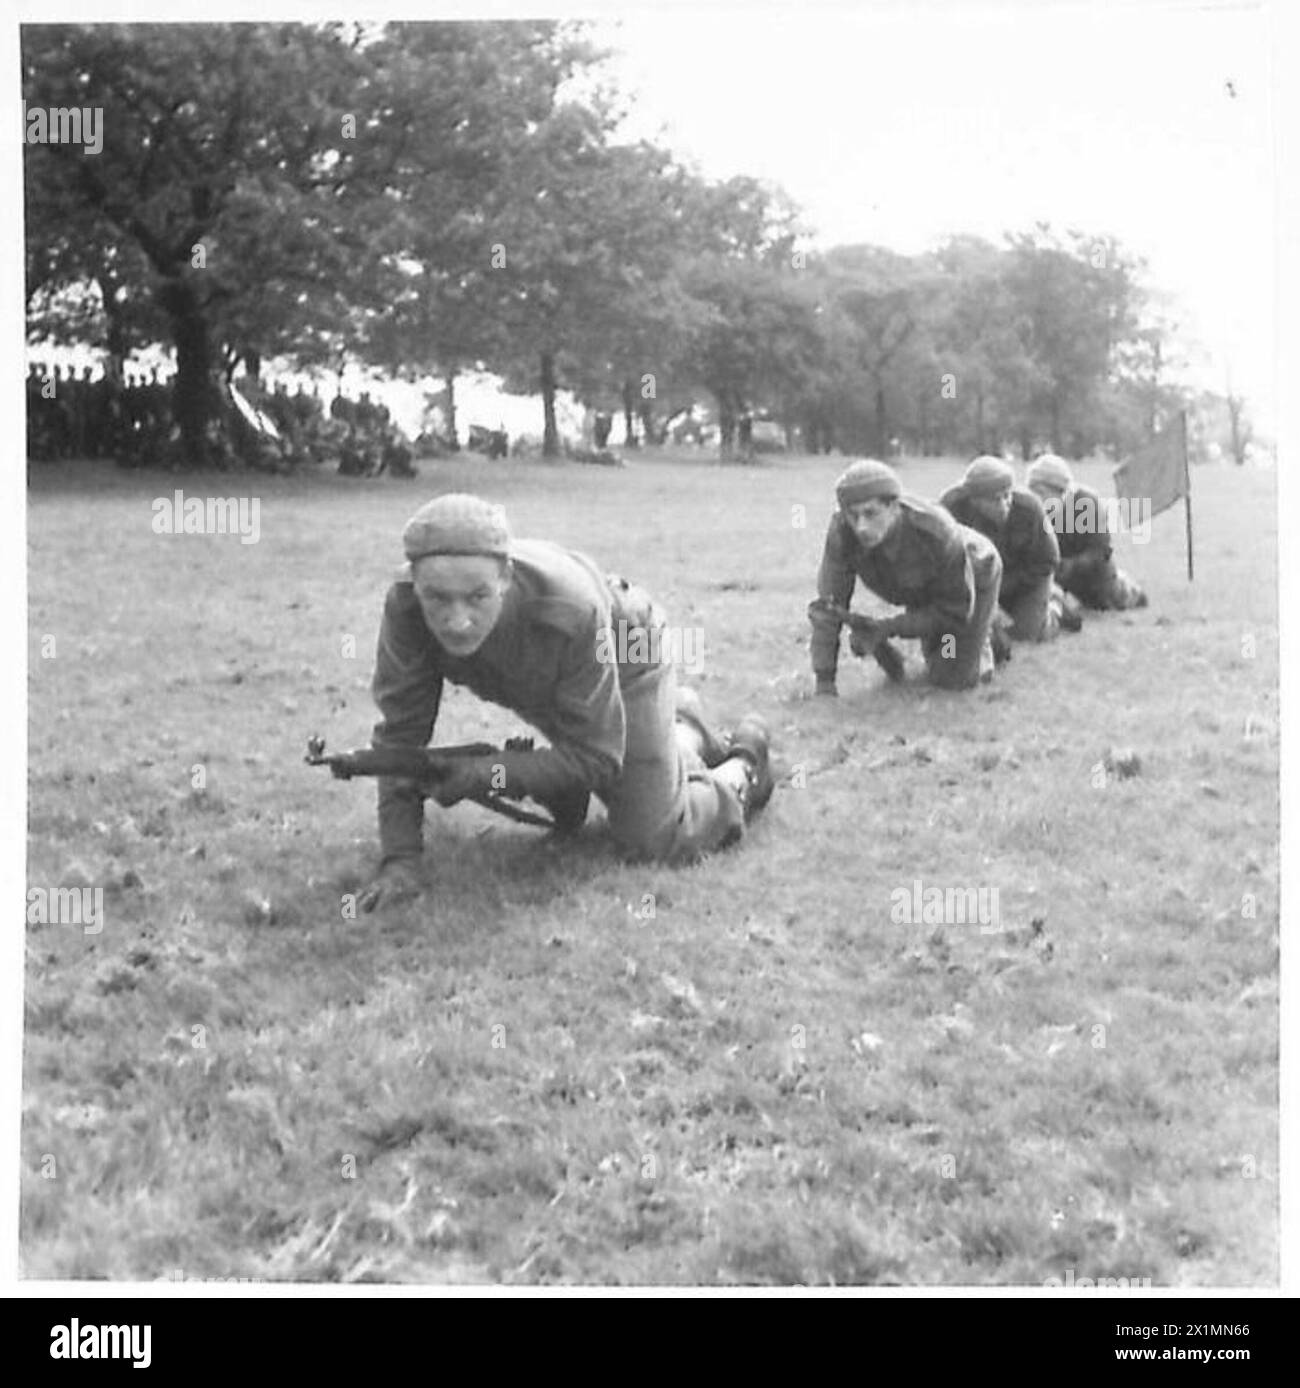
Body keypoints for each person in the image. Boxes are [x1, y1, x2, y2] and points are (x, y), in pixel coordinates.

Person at [358, 494, 773, 910]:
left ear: (505, 577)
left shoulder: (569, 610)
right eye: (438, 599)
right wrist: (400, 861)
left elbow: (596, 757)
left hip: (626, 646)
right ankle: (682, 730)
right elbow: (399, 741)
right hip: (547, 677)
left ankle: (742, 769)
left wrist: (487, 774)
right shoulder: (405, 608)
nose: (458, 620)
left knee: (651, 833)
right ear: (415, 583)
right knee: (611, 779)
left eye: (477, 597)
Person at [809, 459, 1003, 694]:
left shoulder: (936, 533)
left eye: (871, 513)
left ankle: (988, 633)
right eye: (853, 516)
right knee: (940, 656)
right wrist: (824, 682)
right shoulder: (841, 533)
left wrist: (888, 628)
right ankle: (969, 639)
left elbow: (954, 612)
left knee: (952, 678)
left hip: (972, 579)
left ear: (894, 507)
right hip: (920, 592)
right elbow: (828, 607)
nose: (861, 527)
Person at [939, 455, 1080, 640]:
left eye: (1007, 496)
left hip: (1026, 579)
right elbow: (940, 563)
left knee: (1028, 634)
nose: (1004, 504)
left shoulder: (1029, 508)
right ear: (975, 500)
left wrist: (1002, 588)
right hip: (976, 582)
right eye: (995, 500)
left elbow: (1048, 560)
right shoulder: (951, 509)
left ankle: (1055, 606)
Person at [1025, 454, 1147, 610]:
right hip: (1052, 575)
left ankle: (1128, 588)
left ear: (1062, 492)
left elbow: (1100, 552)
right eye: (1033, 491)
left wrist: (1067, 567)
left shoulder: (1087, 504)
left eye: (1042, 492)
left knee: (1107, 601)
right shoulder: (1029, 508)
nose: (1037, 498)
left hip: (1091, 576)